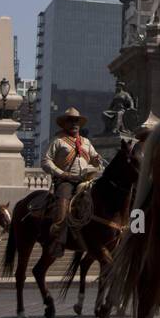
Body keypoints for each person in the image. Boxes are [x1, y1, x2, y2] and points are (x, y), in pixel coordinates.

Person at [41, 108, 102, 254]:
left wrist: (96, 159)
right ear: (64, 124)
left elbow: (95, 159)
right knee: (63, 205)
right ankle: (58, 240)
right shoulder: (58, 141)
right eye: (70, 121)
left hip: (86, 180)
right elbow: (46, 161)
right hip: (65, 181)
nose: (74, 124)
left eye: (76, 121)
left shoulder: (86, 142)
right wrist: (63, 174)